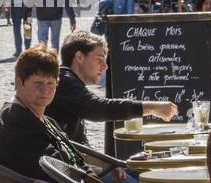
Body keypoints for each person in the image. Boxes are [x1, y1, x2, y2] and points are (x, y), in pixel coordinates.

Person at [0, 44, 143, 183]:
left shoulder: (43, 119)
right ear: (18, 83)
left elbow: (76, 161)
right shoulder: (15, 119)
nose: (45, 91)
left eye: (51, 84)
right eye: (37, 83)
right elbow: (55, 169)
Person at [46, 30, 178, 147]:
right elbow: (97, 108)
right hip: (62, 171)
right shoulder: (63, 80)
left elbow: (79, 141)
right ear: (79, 57)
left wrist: (106, 165)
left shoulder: (69, 80)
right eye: (99, 60)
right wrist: (151, 107)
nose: (105, 66)